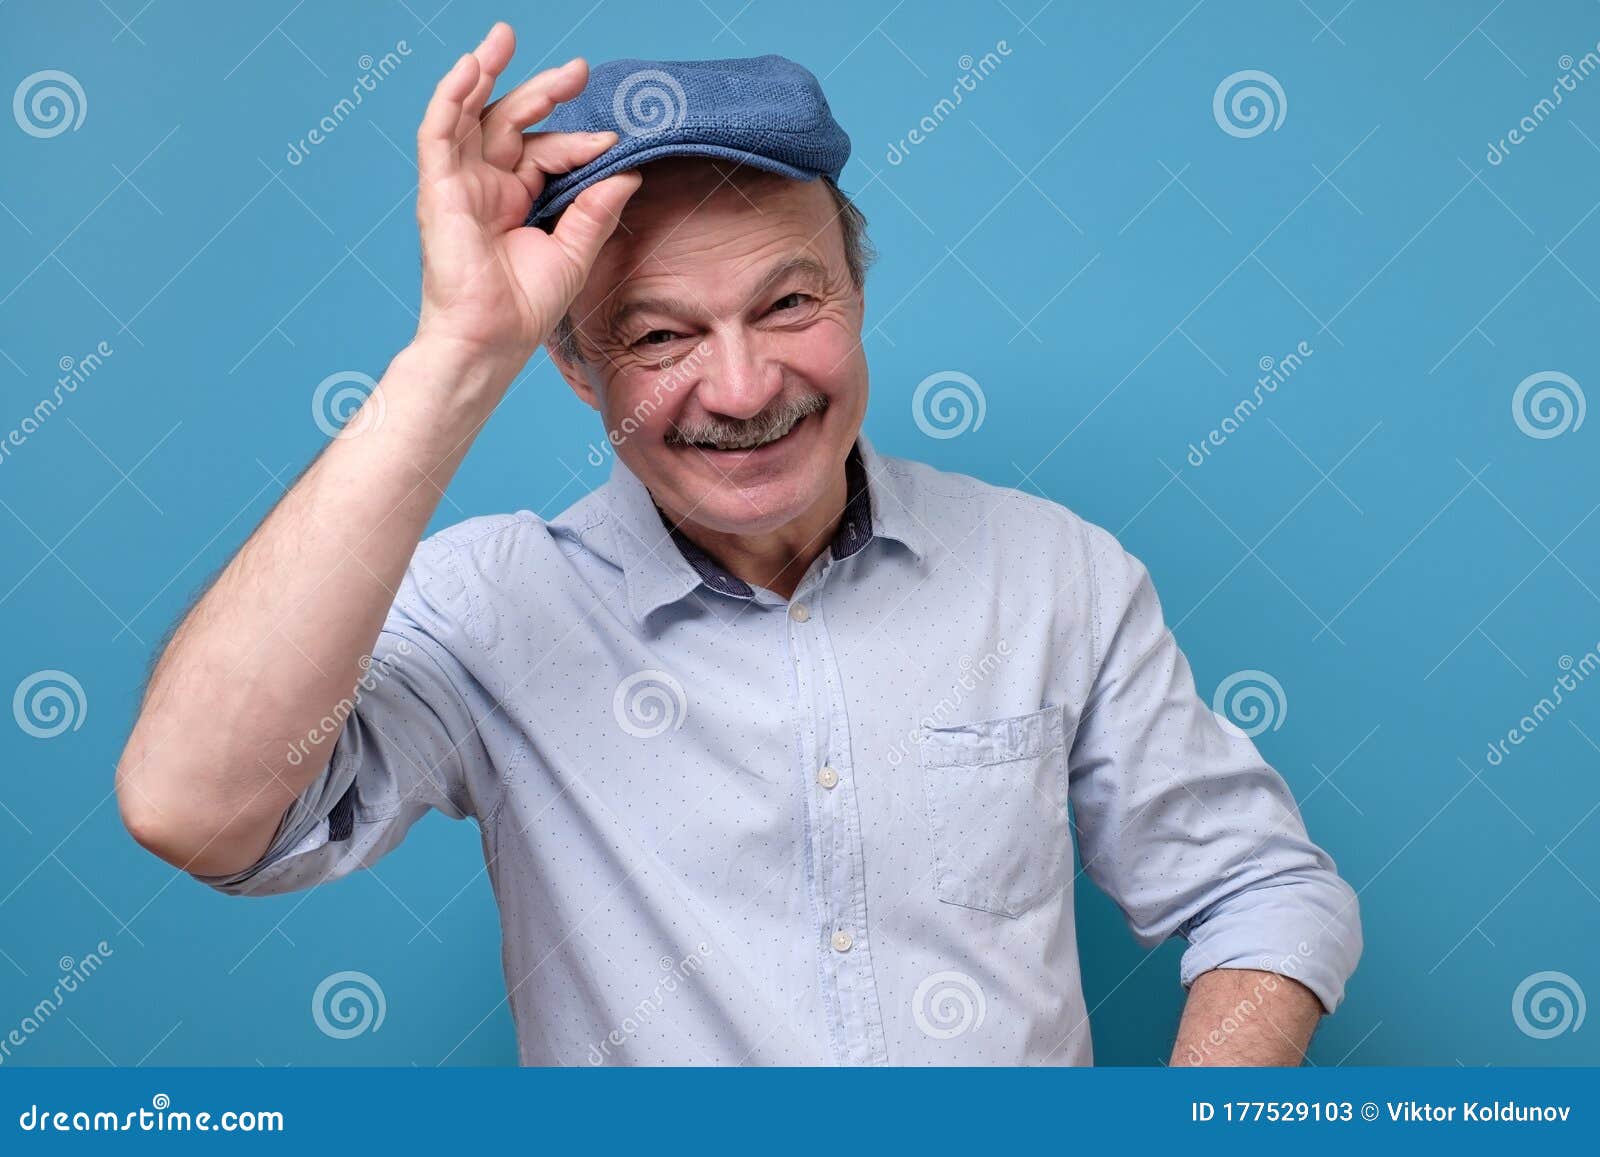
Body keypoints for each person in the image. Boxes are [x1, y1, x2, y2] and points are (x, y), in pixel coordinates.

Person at [116, 24, 1361, 1066]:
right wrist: (456, 354)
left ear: (856, 295)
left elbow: (1262, 890)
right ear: (571, 362)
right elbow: (197, 809)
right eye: (659, 336)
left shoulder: (1054, 572)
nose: (742, 383)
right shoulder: (491, 604)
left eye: (788, 303)